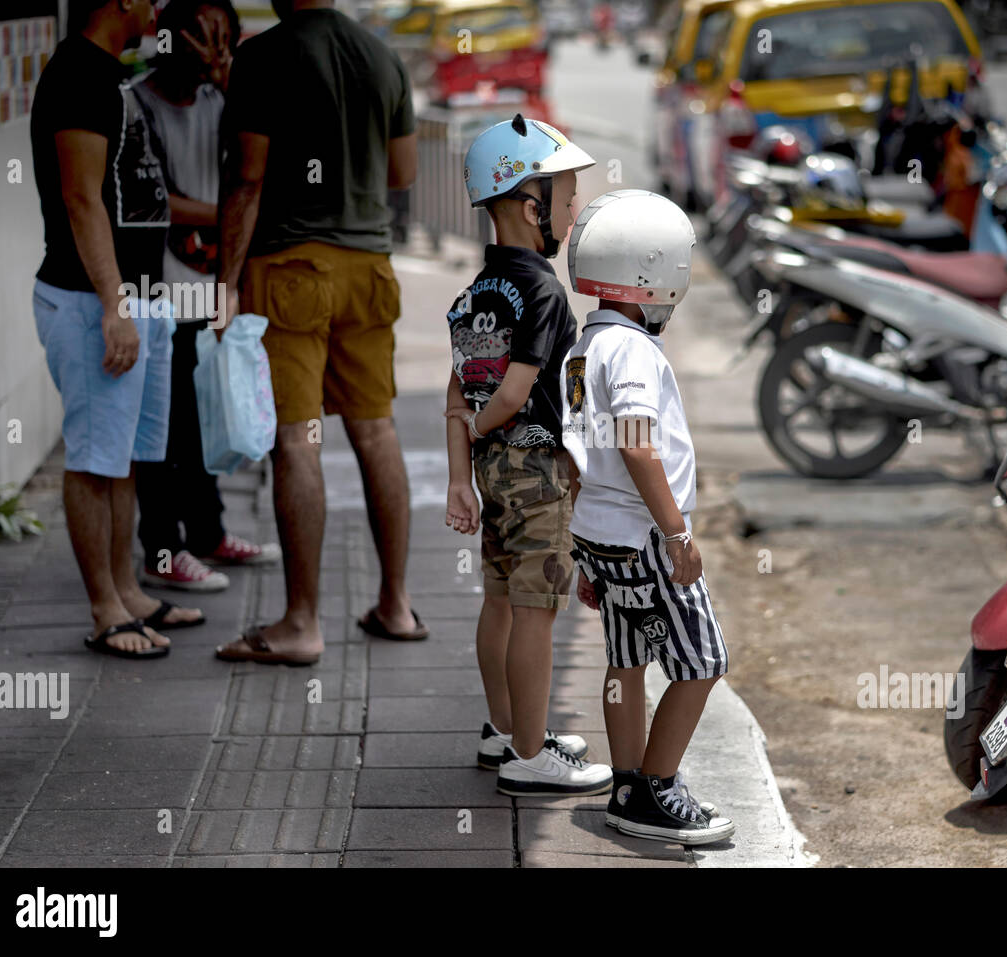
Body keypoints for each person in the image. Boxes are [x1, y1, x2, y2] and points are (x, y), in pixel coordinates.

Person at [213, 0, 422, 666]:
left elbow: (248, 178)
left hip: (291, 270)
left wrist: (225, 281)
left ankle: (301, 622)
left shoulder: (262, 56)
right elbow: (403, 173)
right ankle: (395, 604)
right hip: (369, 269)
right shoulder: (382, 55)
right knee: (376, 428)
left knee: (298, 440)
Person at [29, 0, 204, 659]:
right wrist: (113, 306)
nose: (157, 5)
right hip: (90, 301)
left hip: (136, 297)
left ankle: (126, 588)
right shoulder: (76, 74)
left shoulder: (103, 71)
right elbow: (80, 196)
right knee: (94, 458)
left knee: (125, 453)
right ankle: (104, 609)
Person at [443, 114, 612, 796]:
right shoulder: (542, 289)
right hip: (535, 469)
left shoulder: (473, 292)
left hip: (493, 473)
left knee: (501, 598)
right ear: (529, 204)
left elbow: (455, 390)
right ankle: (532, 754)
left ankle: (506, 729)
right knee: (538, 606)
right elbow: (514, 391)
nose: (573, 214)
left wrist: (463, 471)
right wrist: (490, 426)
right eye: (566, 200)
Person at [560, 189, 734, 843]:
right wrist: (677, 531)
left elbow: (577, 452)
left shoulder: (584, 349)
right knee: (704, 661)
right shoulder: (633, 351)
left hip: (603, 535)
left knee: (627, 657)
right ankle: (659, 788)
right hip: (646, 536)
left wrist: (584, 550)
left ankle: (627, 784)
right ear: (650, 273)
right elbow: (635, 441)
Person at [132, 0, 281, 594]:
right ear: (166, 40)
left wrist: (225, 77)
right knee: (162, 431)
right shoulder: (134, 105)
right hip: (156, 290)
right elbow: (157, 201)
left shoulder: (221, 102)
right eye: (198, 40)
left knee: (200, 419)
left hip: (208, 288)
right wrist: (235, 213)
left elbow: (250, 173)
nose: (210, 54)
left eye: (223, 42)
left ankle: (208, 533)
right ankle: (161, 552)